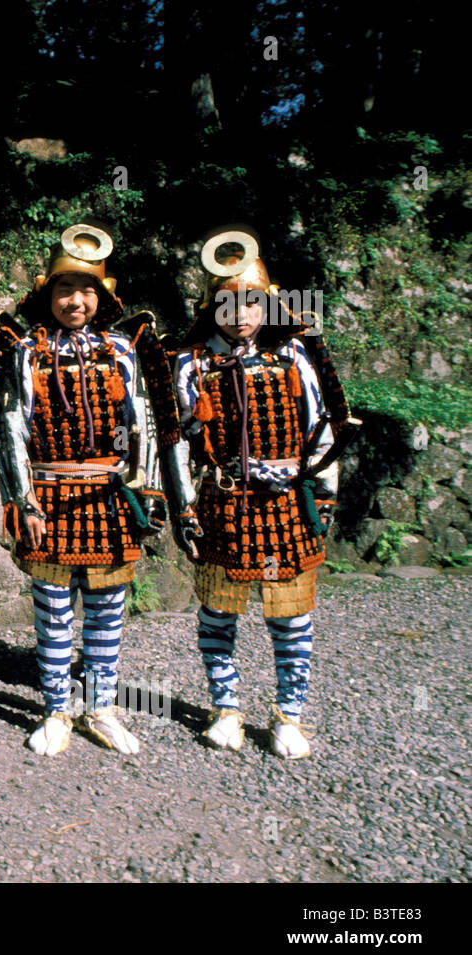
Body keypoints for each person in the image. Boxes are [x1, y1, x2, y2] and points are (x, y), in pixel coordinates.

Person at [161, 229, 351, 759]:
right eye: (227, 302)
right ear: (211, 306)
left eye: (251, 302)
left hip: (286, 504)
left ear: (266, 305)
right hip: (224, 502)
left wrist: (325, 495)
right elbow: (178, 442)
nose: (240, 313)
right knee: (218, 614)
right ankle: (226, 708)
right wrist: (184, 507)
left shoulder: (293, 355)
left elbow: (321, 433)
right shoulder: (191, 363)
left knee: (290, 617)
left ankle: (289, 715)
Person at [0, 224, 171, 757]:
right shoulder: (26, 349)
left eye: (87, 291)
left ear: (101, 296)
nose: (76, 301)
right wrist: (23, 500)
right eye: (65, 291)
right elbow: (11, 426)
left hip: (111, 495)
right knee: (52, 606)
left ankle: (102, 707)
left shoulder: (121, 349)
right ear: (48, 294)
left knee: (109, 605)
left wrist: (148, 491)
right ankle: (55, 709)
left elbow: (144, 424)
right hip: (50, 495)